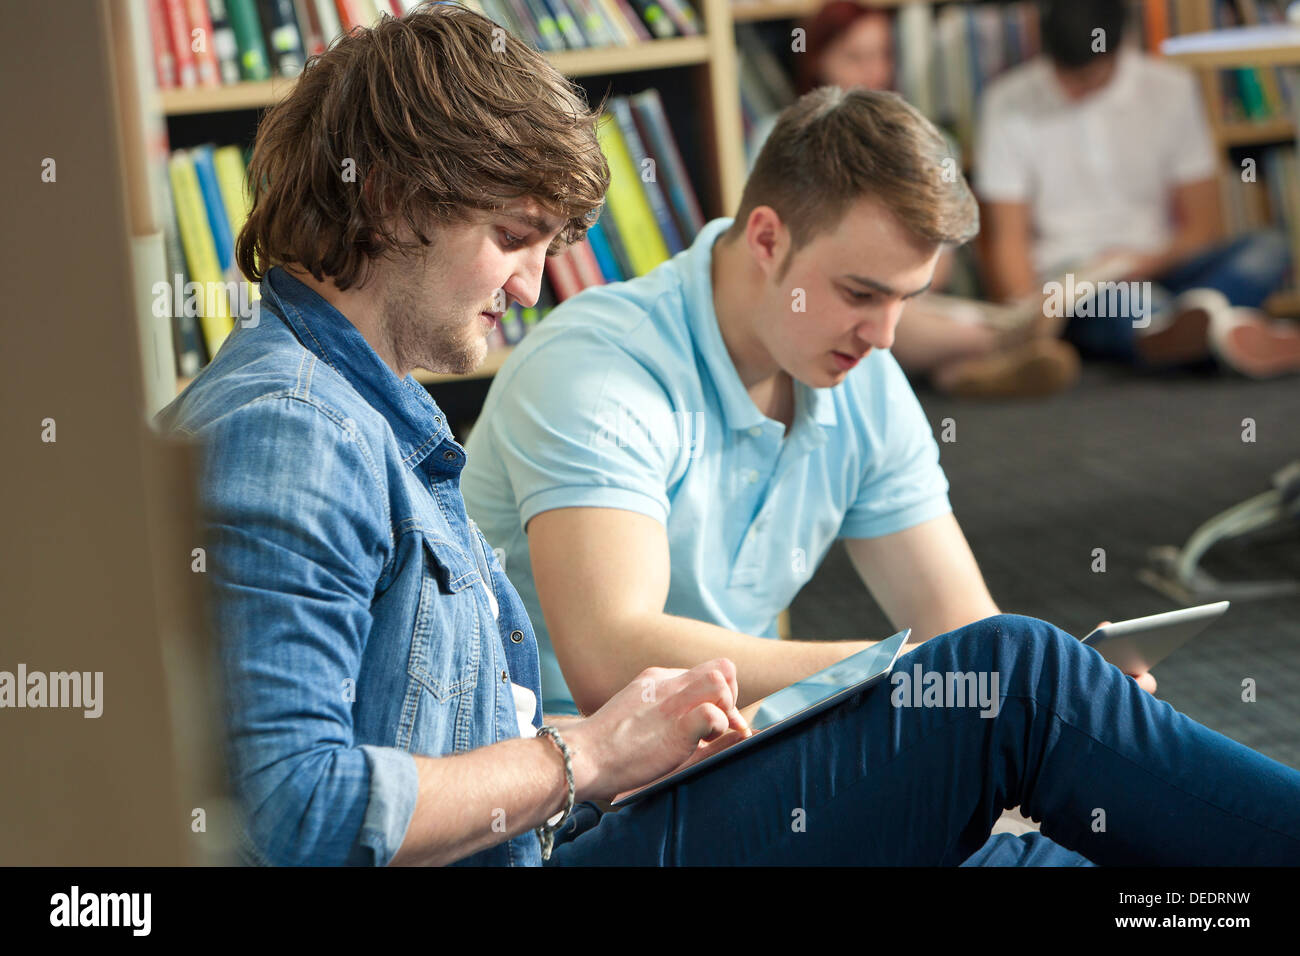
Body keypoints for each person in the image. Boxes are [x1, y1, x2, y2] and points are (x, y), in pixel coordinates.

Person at [156, 4, 1300, 867]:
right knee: (1013, 675)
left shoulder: (359, 411)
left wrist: (605, 748)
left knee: (1021, 845)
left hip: (570, 821)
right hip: (554, 842)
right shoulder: (293, 432)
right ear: (395, 200)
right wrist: (587, 754)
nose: (532, 280)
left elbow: (432, 733)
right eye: (516, 234)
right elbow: (294, 804)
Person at [749, 0, 1081, 398]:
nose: (871, 72)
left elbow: (933, 270)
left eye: (883, 55)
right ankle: (997, 344)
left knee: (891, 309)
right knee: (867, 309)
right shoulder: (783, 139)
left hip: (919, 297)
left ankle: (966, 373)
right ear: (817, 59)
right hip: (826, 297)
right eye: (854, 57)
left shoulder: (927, 143)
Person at [977, 0, 1300, 377]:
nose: (1076, 89)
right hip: (1074, 283)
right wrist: (1028, 312)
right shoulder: (1007, 102)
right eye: (1067, 75)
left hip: (1164, 262)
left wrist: (1139, 262)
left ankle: (1192, 331)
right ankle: (1218, 331)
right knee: (1123, 304)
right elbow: (1006, 238)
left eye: (1090, 77)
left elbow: (1204, 226)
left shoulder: (1170, 90)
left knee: (1267, 250)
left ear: (1120, 48)